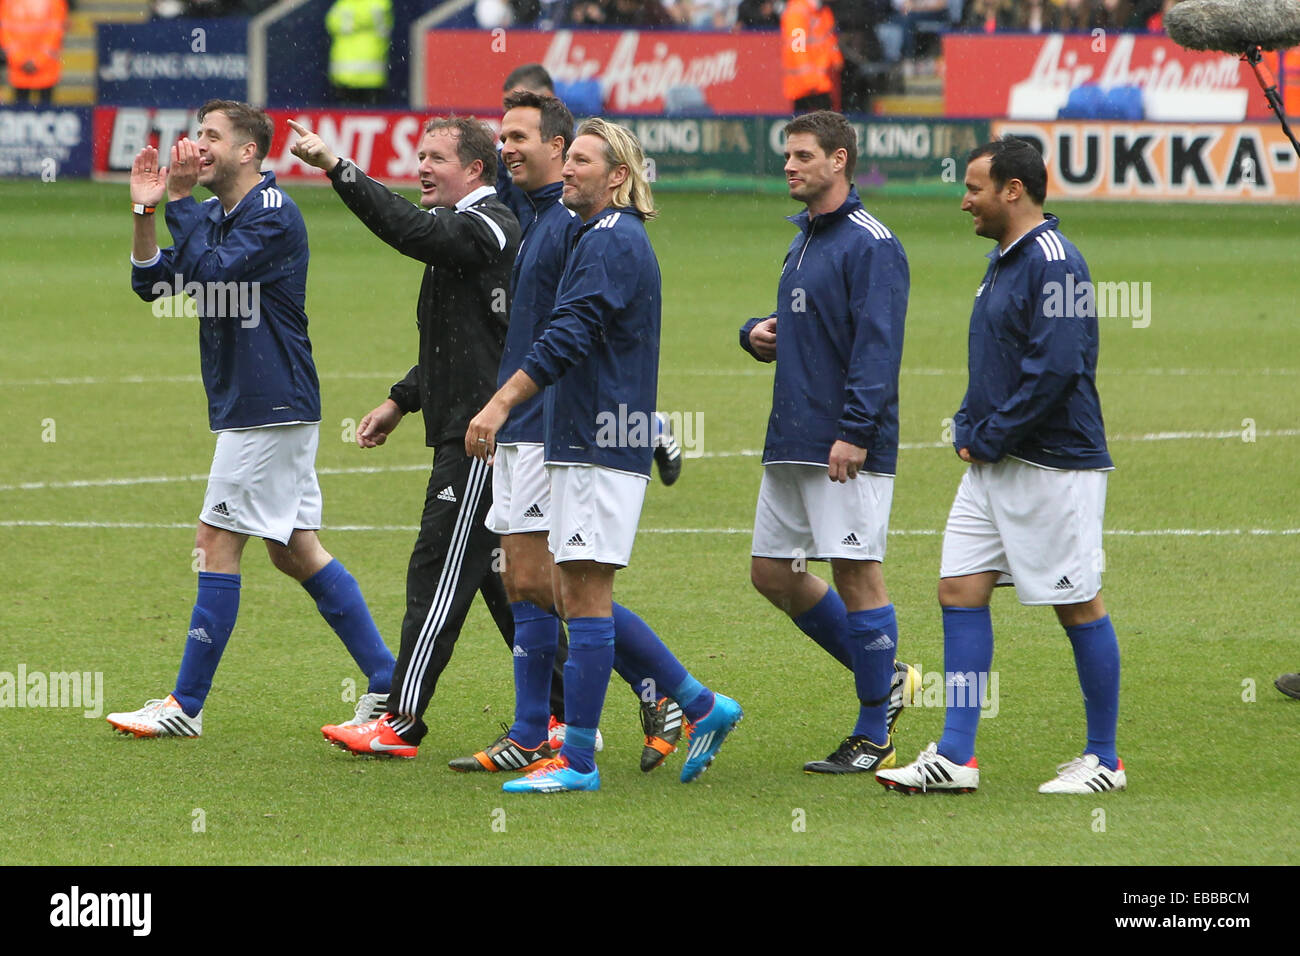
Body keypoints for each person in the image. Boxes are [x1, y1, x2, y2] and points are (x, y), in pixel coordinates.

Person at [466, 118, 743, 793]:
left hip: (597, 441)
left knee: (584, 596)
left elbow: (571, 334)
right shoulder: (597, 235)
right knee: (569, 591)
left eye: (584, 161)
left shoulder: (614, 240)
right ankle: (695, 705)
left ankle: (581, 760)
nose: (571, 170)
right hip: (581, 439)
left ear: (618, 175)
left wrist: (501, 404)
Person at [106, 101, 395, 739]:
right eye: (197, 133)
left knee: (214, 543)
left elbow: (209, 277)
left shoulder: (271, 213)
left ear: (248, 153)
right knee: (295, 551)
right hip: (261, 404)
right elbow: (154, 287)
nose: (197, 144)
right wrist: (144, 211)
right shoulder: (212, 215)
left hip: (269, 405)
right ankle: (387, 681)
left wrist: (177, 199)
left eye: (212, 136)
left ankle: (185, 707)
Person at [877, 136, 1126, 796]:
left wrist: (991, 434)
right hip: (995, 462)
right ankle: (956, 755)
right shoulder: (1004, 259)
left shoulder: (1055, 261)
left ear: (1013, 189)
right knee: (959, 588)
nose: (965, 201)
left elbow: (1059, 367)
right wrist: (970, 420)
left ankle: (1104, 759)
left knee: (1077, 604)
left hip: (1052, 464)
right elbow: (998, 361)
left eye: (975, 188)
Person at [287, 114, 532, 760]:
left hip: (478, 439)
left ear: (476, 171)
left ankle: (400, 719)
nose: (421, 166)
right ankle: (582, 707)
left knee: (436, 573)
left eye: (435, 158)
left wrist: (339, 169)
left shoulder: (486, 225)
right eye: (419, 155)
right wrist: (402, 400)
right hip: (466, 429)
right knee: (506, 589)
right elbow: (466, 345)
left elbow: (411, 232)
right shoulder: (471, 231)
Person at [739, 110, 915, 775]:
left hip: (843, 443)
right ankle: (886, 674)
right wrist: (754, 333)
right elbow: (805, 327)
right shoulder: (808, 237)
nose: (789, 165)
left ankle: (875, 733)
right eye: (787, 155)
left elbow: (878, 347)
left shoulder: (872, 242)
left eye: (803, 155)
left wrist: (856, 432)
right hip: (791, 434)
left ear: (839, 161)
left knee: (857, 575)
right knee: (771, 573)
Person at [499, 62, 684, 487]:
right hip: (544, 415)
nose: (508, 146)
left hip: (559, 422)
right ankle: (644, 423)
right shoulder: (541, 208)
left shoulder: (584, 223)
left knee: (563, 552)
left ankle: (647, 424)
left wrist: (504, 401)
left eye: (520, 135)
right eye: (504, 134)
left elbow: (581, 320)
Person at [325, 0, 393, 106]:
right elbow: (330, 22)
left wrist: (351, 19)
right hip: (344, 77)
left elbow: (369, 16)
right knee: (346, 116)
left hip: (372, 79)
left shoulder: (380, 3)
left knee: (371, 117)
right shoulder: (344, 3)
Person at [0, 0, 67, 106]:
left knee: (45, 112)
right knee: (21, 112)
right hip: (21, 71)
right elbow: (5, 32)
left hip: (45, 71)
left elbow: (56, 32)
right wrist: (22, 60)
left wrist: (35, 61)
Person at [781, 0, 842, 114]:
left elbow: (829, 39)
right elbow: (797, 49)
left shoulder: (822, 10)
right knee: (804, 125)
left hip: (821, 82)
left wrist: (836, 59)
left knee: (825, 124)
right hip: (803, 86)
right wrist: (811, 81)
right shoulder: (797, 11)